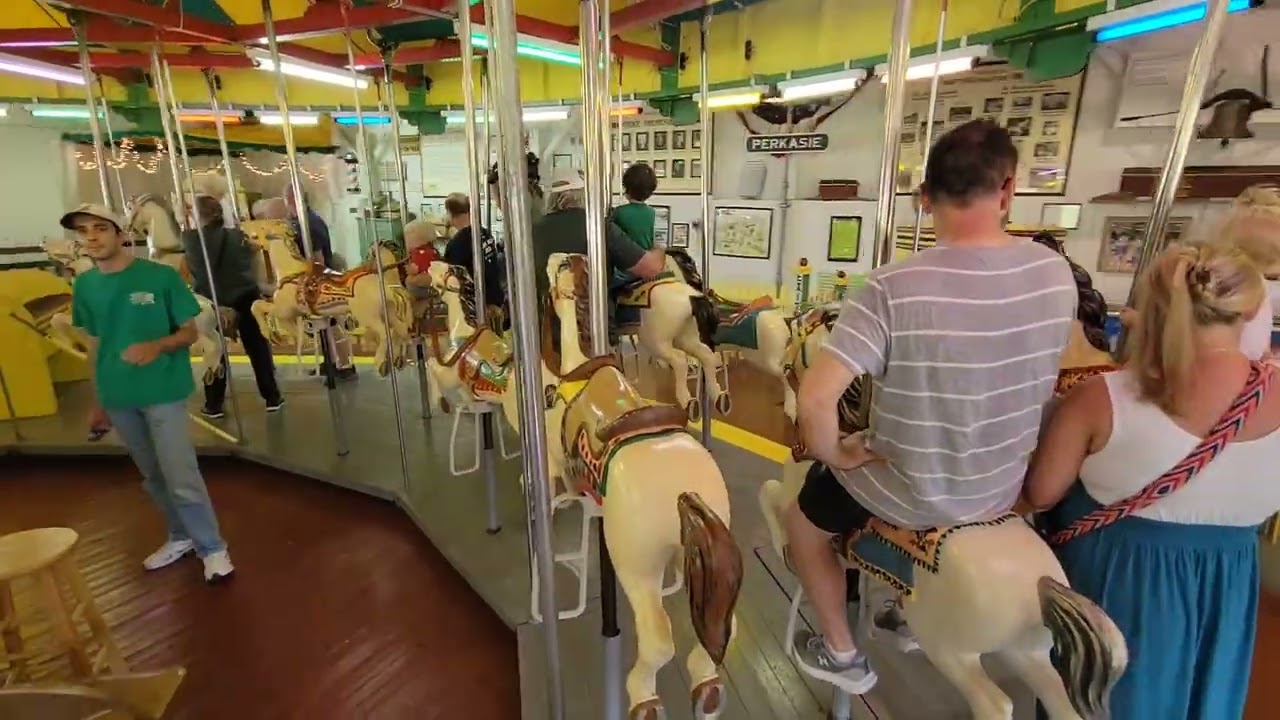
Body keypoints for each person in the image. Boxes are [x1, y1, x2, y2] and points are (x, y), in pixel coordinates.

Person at [785, 119, 1076, 693]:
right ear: (1008, 189)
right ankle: (905, 606)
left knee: (802, 521)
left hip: (918, 494)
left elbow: (815, 399)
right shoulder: (1054, 271)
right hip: (1001, 487)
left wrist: (837, 455)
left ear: (924, 200)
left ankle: (841, 653)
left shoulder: (893, 286)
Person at [1027, 242, 1280, 719]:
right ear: (1249, 307)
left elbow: (1042, 493)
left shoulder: (1102, 398)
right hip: (1228, 576)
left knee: (1109, 698)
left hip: (1122, 575)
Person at [64, 203, 235, 584]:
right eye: (82, 231)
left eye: (98, 228)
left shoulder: (160, 278)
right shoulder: (86, 285)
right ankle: (180, 537)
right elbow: (94, 345)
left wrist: (156, 346)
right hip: (118, 394)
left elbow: (189, 333)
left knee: (180, 472)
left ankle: (212, 547)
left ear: (120, 232)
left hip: (163, 389)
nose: (91, 237)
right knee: (153, 475)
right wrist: (98, 401)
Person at [182, 194, 284, 418]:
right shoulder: (238, 236)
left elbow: (194, 270)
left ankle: (214, 403)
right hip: (244, 294)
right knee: (257, 348)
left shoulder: (190, 239)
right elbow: (248, 261)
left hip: (212, 301)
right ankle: (271, 396)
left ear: (196, 215)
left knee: (214, 349)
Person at [531, 167, 666, 334]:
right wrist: (658, 250)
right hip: (593, 328)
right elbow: (650, 268)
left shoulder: (532, 230)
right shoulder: (600, 227)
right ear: (582, 195)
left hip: (543, 328)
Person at [442, 192, 506, 313]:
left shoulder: (457, 243)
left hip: (473, 303)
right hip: (495, 295)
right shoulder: (485, 233)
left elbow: (451, 277)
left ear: (450, 214)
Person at [610, 163, 659, 290]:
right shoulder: (651, 212)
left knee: (599, 285)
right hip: (647, 263)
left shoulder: (619, 212)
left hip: (626, 270)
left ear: (627, 189)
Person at [284, 189, 333, 268]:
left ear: (290, 200)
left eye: (285, 197)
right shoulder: (303, 218)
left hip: (321, 275)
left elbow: (319, 264)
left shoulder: (309, 224)